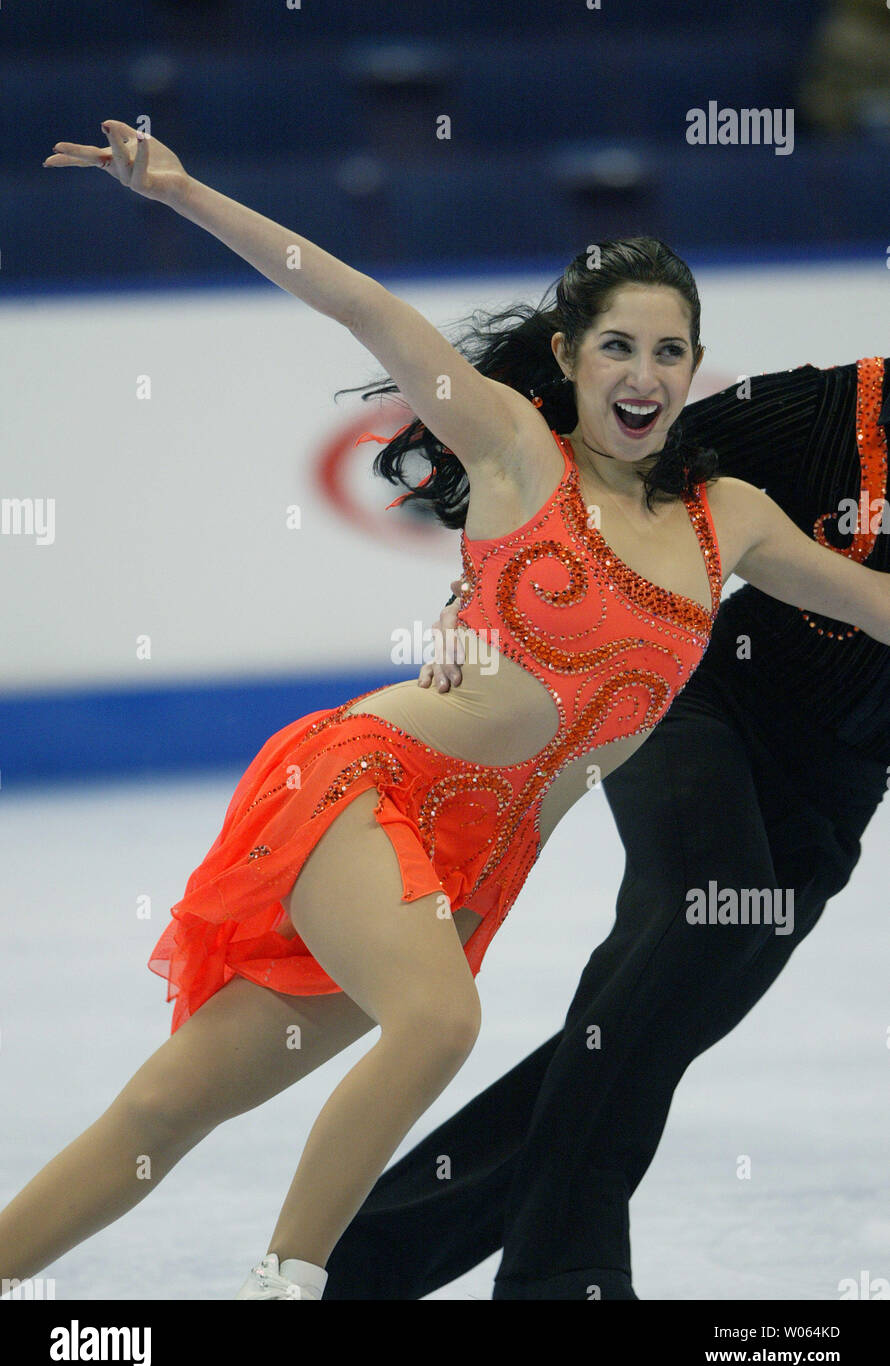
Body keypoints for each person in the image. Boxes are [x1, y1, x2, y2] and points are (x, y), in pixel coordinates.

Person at [2, 120, 885, 1302]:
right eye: (614, 346)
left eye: (667, 352)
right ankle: (291, 1285)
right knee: (438, 1020)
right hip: (368, 788)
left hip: (477, 863)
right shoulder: (519, 451)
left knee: (169, 1106)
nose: (641, 374)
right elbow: (359, 305)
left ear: (695, 366)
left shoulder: (732, 516)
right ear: (567, 355)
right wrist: (184, 191)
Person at [322, 354, 890, 1300]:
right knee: (720, 920)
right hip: (697, 713)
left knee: (647, 1026)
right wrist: (473, 598)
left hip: (840, 782)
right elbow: (596, 465)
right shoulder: (828, 408)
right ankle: (563, 1273)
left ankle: (364, 1265)